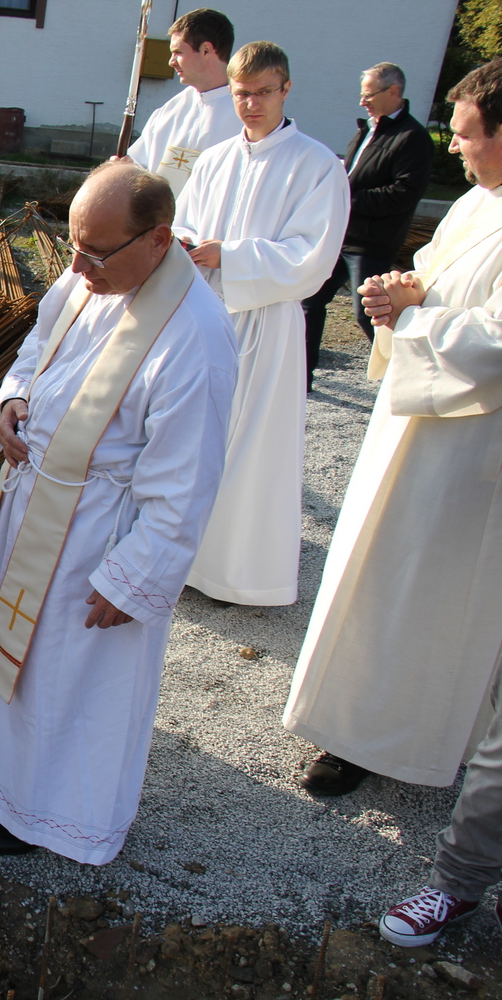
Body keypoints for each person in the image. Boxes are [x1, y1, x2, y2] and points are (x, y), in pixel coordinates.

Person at [0, 162, 237, 862]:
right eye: (73, 245)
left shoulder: (196, 334)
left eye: (95, 252)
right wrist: (13, 400)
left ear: (158, 240)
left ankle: (43, 808)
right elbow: (38, 347)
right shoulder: (92, 273)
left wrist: (135, 577)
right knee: (5, 644)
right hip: (35, 500)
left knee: (66, 671)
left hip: (98, 531)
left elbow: (188, 478)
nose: (75, 267)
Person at [283, 59, 502, 803]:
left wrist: (415, 315)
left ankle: (392, 738)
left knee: (423, 589)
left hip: (467, 444)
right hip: (413, 416)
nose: (454, 146)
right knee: (374, 567)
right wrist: (397, 289)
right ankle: (351, 719)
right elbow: (432, 275)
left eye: (466, 134)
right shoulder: (477, 201)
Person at [173, 41, 348, 606]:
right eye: (242, 94)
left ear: (286, 89)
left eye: (263, 93)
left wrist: (232, 256)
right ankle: (183, 559)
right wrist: (186, 244)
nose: (251, 105)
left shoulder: (318, 165)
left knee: (251, 450)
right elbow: (185, 222)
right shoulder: (215, 158)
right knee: (193, 438)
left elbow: (313, 257)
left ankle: (237, 574)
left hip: (267, 322)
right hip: (206, 315)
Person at [301, 62, 433, 390]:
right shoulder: (367, 129)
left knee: (368, 313)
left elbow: (404, 192)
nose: (362, 101)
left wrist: (348, 199)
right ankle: (300, 380)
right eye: (362, 95)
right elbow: (354, 175)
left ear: (394, 92)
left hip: (372, 242)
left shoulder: (413, 138)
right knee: (310, 300)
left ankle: (410, 378)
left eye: (369, 95)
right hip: (341, 234)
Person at [125, 8, 239, 197]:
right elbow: (138, 166)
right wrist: (121, 169)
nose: (171, 62)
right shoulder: (170, 110)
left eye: (178, 52)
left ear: (206, 50)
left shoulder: (244, 115)